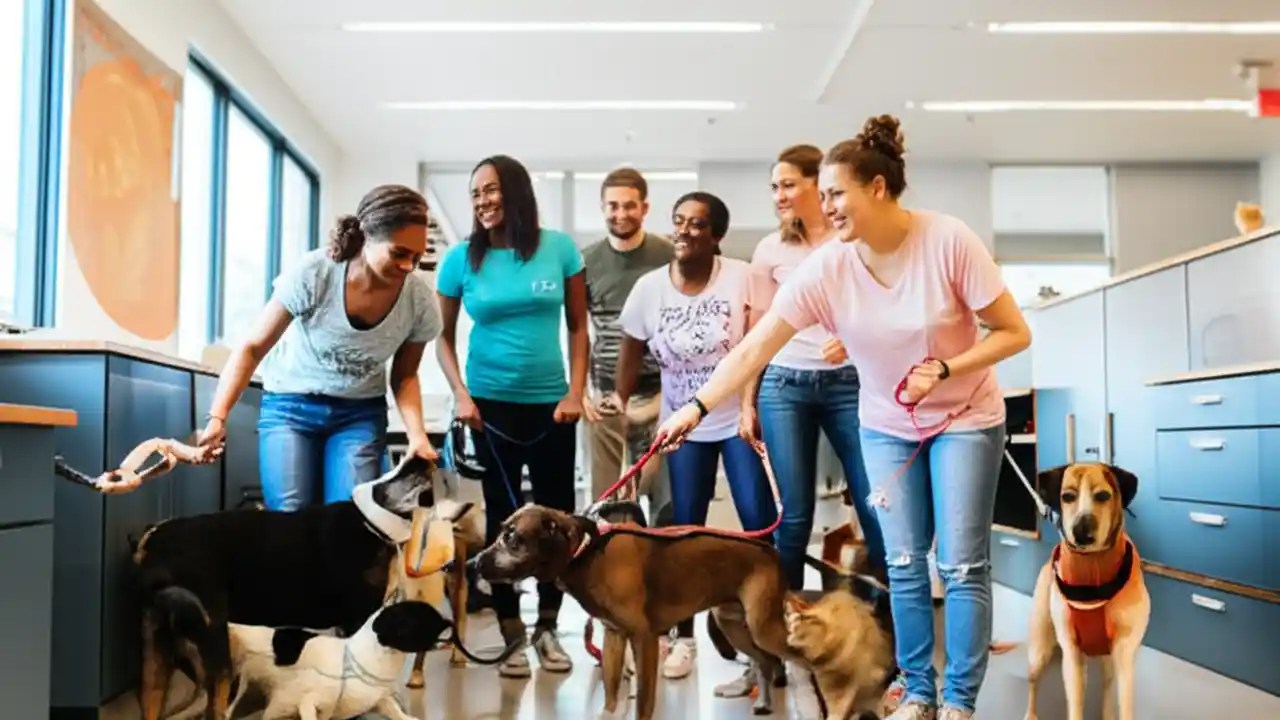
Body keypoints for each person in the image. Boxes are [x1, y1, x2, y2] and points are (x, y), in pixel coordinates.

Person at [655, 115, 1032, 720]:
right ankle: (917, 692)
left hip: (964, 416)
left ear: (877, 188)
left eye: (835, 193)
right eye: (822, 193)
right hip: (885, 424)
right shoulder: (827, 268)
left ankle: (959, 700)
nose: (824, 206)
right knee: (904, 561)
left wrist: (949, 366)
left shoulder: (947, 240)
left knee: (960, 562)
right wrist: (697, 409)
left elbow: (1014, 332)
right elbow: (755, 347)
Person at [434, 154, 588, 679]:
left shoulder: (559, 250)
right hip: (488, 410)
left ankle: (548, 629)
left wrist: (576, 391)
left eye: (492, 189)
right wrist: (460, 395)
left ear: (517, 192)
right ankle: (511, 636)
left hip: (553, 408)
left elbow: (578, 329)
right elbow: (442, 336)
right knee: (503, 523)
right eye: (475, 192)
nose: (482, 200)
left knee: (555, 522)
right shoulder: (460, 260)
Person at [197, 184, 442, 511]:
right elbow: (253, 348)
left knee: (348, 520)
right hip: (290, 407)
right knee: (289, 521)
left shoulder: (419, 300)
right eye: (399, 253)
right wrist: (217, 418)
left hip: (358, 414)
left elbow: (406, 376)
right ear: (367, 235)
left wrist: (417, 436)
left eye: (417, 256)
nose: (409, 266)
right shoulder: (315, 273)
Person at [616, 191, 777, 681]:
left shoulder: (743, 276)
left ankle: (766, 638)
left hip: (736, 420)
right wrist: (619, 405)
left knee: (758, 526)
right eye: (679, 221)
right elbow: (630, 351)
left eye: (698, 224)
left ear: (717, 236)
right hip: (682, 425)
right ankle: (682, 637)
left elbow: (763, 343)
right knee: (683, 532)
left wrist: (751, 405)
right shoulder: (649, 288)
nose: (684, 231)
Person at [744, 143, 886, 591]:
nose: (779, 196)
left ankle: (892, 622)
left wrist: (852, 338)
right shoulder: (770, 250)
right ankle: (783, 626)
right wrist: (747, 401)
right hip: (784, 386)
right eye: (774, 187)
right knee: (795, 512)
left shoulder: (854, 240)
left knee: (874, 502)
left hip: (850, 385)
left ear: (817, 183)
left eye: (788, 185)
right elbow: (758, 331)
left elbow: (885, 309)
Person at [581, 168, 675, 523]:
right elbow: (578, 328)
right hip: (605, 398)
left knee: (667, 505)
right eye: (613, 206)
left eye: (629, 206)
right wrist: (582, 392)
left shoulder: (668, 254)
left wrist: (669, 397)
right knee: (608, 508)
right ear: (602, 208)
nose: (621, 214)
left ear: (645, 207)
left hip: (662, 396)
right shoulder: (586, 260)